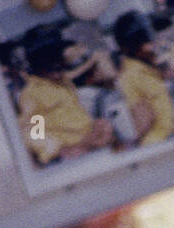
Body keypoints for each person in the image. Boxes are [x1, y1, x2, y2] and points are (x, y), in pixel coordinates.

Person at [17, 24, 112, 165]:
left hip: (93, 147)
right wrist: (60, 150)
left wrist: (95, 127)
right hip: (72, 160)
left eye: (58, 55)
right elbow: (34, 133)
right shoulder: (33, 94)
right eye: (48, 58)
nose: (56, 61)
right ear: (36, 62)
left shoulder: (64, 82)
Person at [113, 10, 174, 147]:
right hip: (160, 141)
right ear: (131, 46)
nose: (152, 45)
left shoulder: (146, 66)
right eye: (146, 41)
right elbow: (143, 120)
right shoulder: (130, 76)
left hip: (172, 134)